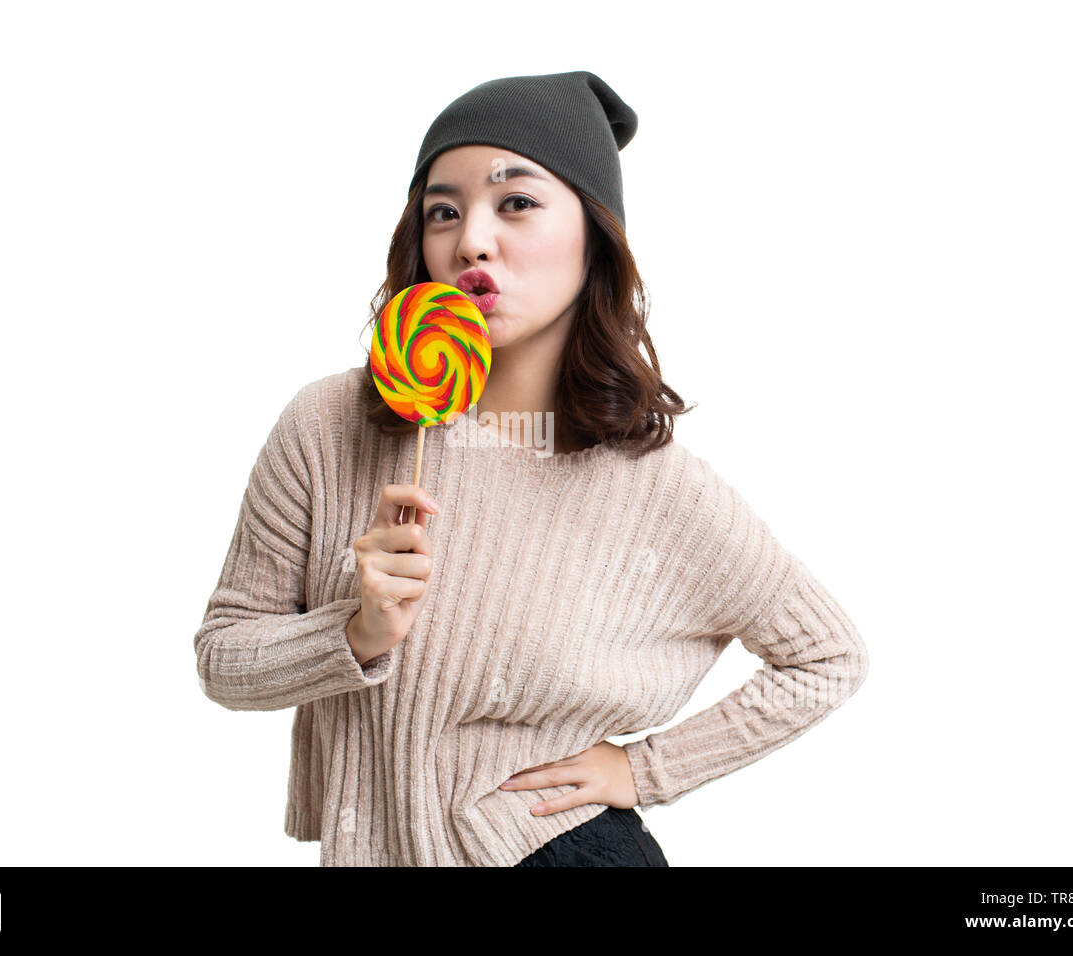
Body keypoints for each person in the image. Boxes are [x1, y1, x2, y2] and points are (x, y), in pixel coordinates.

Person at [194, 71, 869, 867]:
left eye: (516, 202)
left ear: (595, 233)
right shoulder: (328, 426)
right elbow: (224, 660)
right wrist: (357, 630)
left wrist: (645, 768)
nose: (471, 239)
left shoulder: (649, 482)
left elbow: (828, 655)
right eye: (443, 211)